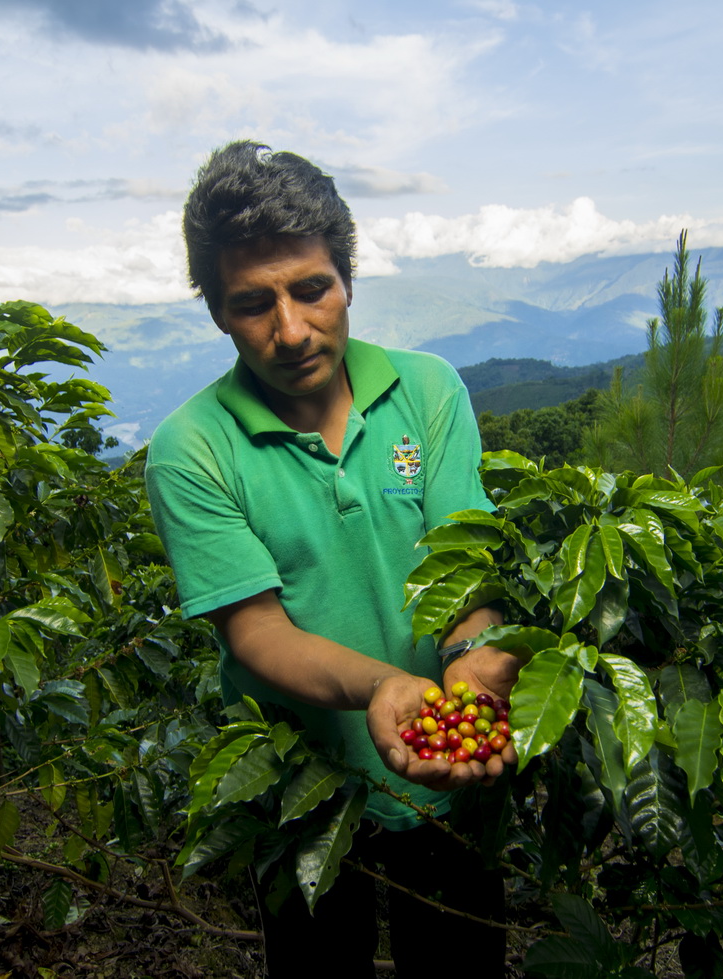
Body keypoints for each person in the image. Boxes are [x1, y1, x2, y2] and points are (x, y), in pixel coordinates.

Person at [145, 141, 521, 976]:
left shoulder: (427, 391)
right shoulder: (192, 449)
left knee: (461, 959)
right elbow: (257, 633)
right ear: (215, 311)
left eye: (312, 289)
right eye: (252, 304)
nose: (290, 329)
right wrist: (383, 685)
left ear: (347, 279)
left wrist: (470, 656)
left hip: (450, 768)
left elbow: (466, 562)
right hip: (304, 788)